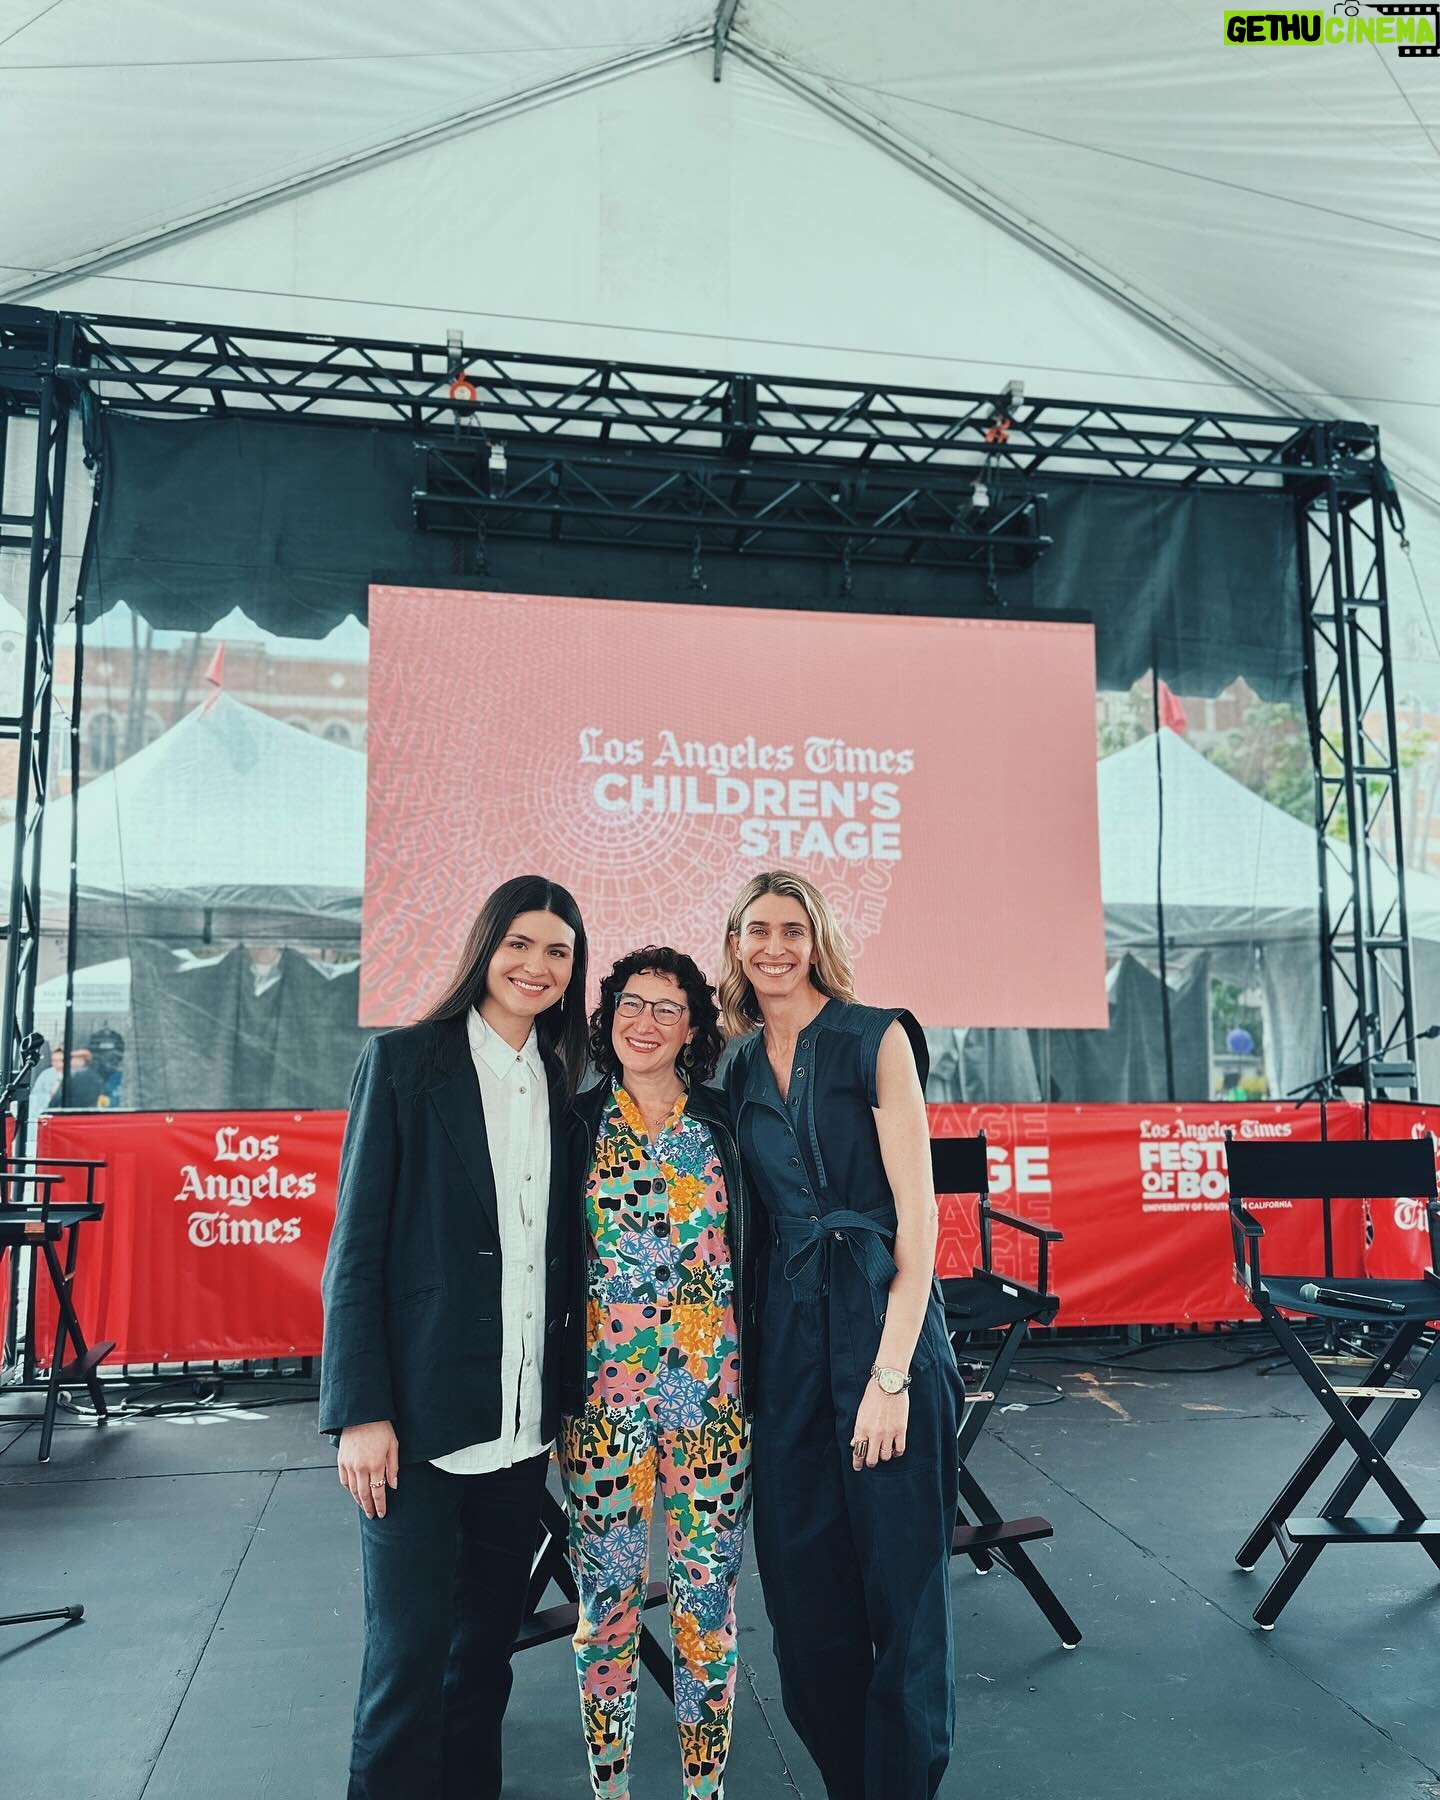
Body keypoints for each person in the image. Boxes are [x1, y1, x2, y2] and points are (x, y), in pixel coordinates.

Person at [319, 875, 591, 1800]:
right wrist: (360, 1412)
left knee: (484, 1666)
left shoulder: (561, 1083)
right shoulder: (404, 1063)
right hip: (418, 1430)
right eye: (520, 943)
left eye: (558, 951)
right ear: (485, 948)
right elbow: (355, 1250)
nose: (537, 966)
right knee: (405, 1671)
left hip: (521, 1432)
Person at [720, 869, 959, 1800]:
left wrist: (892, 1373)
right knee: (801, 1589)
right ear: (735, 944)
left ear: (817, 939)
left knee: (903, 1595)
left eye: (792, 928)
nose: (774, 946)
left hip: (882, 1327)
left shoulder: (877, 1036)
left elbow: (920, 1219)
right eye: (757, 930)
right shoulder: (735, 1064)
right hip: (784, 1343)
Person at [562, 947, 752, 1800]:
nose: (645, 1022)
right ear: (607, 1020)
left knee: (705, 1610)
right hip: (602, 1408)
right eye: (631, 1005)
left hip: (712, 1406)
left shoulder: (724, 1124)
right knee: (603, 1609)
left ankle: (703, 1791)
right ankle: (613, 1790)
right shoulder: (573, 1126)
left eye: (667, 1008)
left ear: (693, 1027)